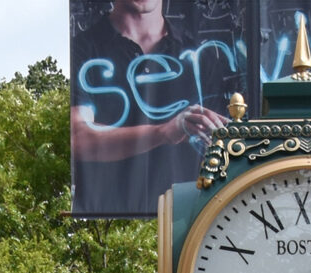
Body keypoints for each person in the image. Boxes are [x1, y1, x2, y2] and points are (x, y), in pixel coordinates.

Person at [70, 0, 234, 216]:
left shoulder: (201, 59)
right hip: (106, 223)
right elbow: (78, 139)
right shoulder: (80, 51)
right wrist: (164, 132)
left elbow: (218, 149)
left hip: (182, 221)